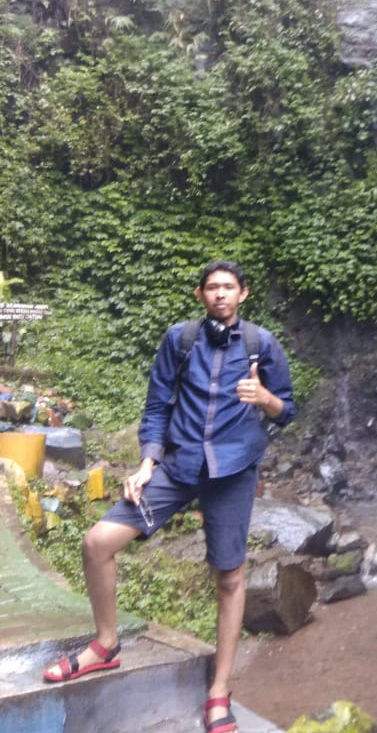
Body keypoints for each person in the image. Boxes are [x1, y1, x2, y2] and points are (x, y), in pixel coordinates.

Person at [42, 260, 295, 733]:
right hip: (177, 466)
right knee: (98, 542)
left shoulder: (263, 346)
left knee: (229, 578)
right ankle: (106, 644)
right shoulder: (180, 340)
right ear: (200, 295)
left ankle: (219, 691)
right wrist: (146, 463)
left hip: (234, 472)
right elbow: (157, 405)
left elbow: (287, 411)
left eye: (229, 287)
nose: (220, 294)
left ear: (243, 294)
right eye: (212, 287)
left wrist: (266, 400)